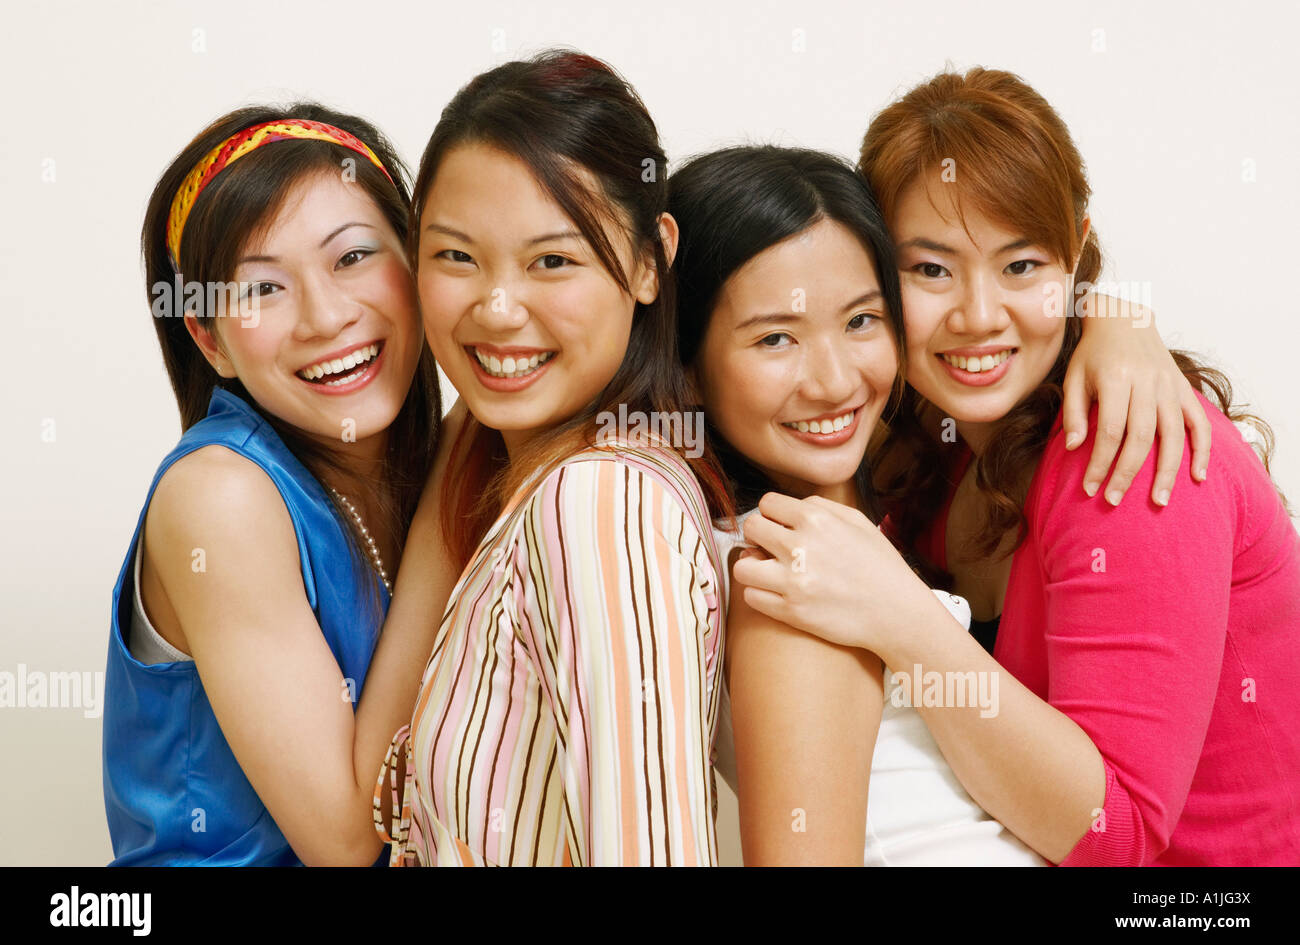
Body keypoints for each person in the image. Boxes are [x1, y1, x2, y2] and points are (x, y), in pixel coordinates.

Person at [733, 68, 1300, 865]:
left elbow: (1119, 838)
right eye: (931, 270)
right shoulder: (931, 446)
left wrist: (905, 622)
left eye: (1022, 266)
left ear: (1076, 256)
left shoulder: (1130, 452)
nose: (978, 316)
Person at [670, 145, 1209, 865]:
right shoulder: (795, 575)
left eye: (862, 321)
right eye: (775, 339)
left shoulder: (904, 474)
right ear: (688, 371)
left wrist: (1113, 316)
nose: (834, 382)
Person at [374, 50, 731, 866]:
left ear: (650, 260)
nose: (497, 310)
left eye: (553, 261)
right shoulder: (525, 482)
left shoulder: (604, 506)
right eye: (456, 256)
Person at [104, 105, 448, 865]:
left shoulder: (423, 465)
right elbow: (350, 839)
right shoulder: (218, 497)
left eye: (353, 257)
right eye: (262, 289)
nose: (326, 316)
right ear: (209, 339)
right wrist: (450, 511)